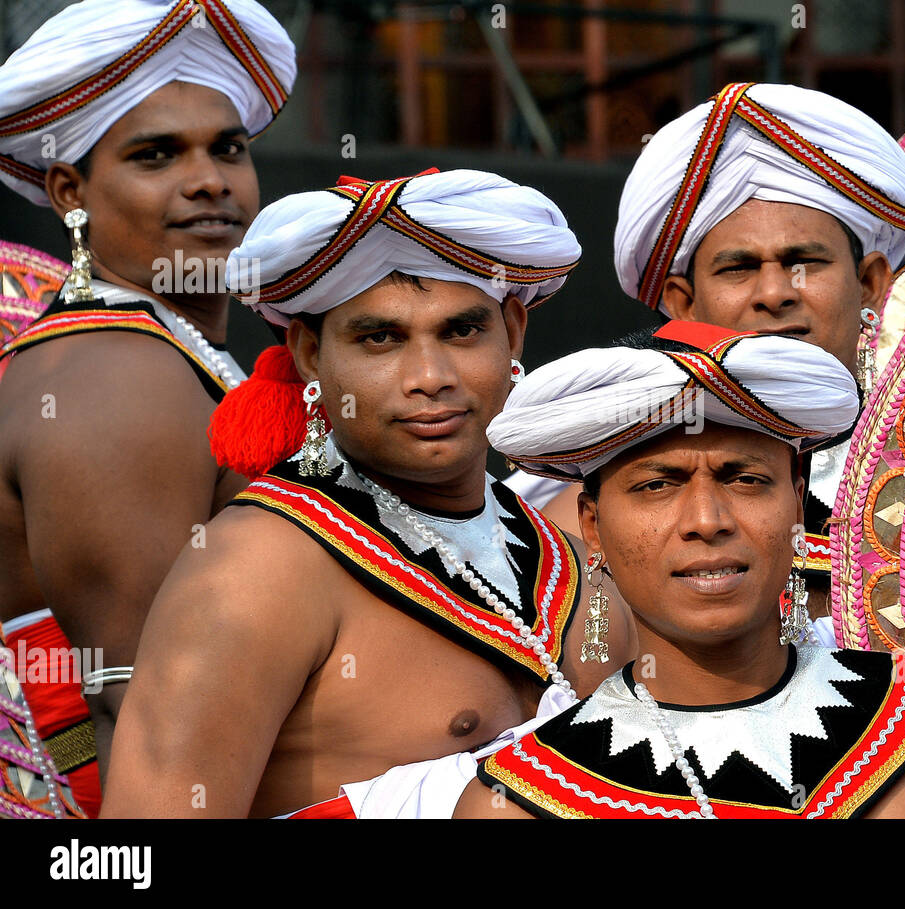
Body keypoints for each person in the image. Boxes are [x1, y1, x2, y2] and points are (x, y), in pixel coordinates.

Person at [101, 168, 635, 818]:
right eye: (380, 338)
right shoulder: (252, 570)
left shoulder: (583, 571)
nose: (430, 377)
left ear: (514, 332)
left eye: (462, 331)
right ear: (308, 354)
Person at [456, 321, 905, 818]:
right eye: (657, 485)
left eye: (746, 479)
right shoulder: (517, 801)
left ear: (798, 502)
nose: (707, 522)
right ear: (593, 527)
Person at [0, 0, 295, 815]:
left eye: (227, 148)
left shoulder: (162, 349)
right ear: (71, 194)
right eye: (157, 154)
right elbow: (152, 716)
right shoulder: (115, 376)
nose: (210, 180)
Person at [510, 82, 905, 646]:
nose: (776, 292)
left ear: (869, 283)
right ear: (682, 302)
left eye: (804, 261)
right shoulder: (586, 505)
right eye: (738, 269)